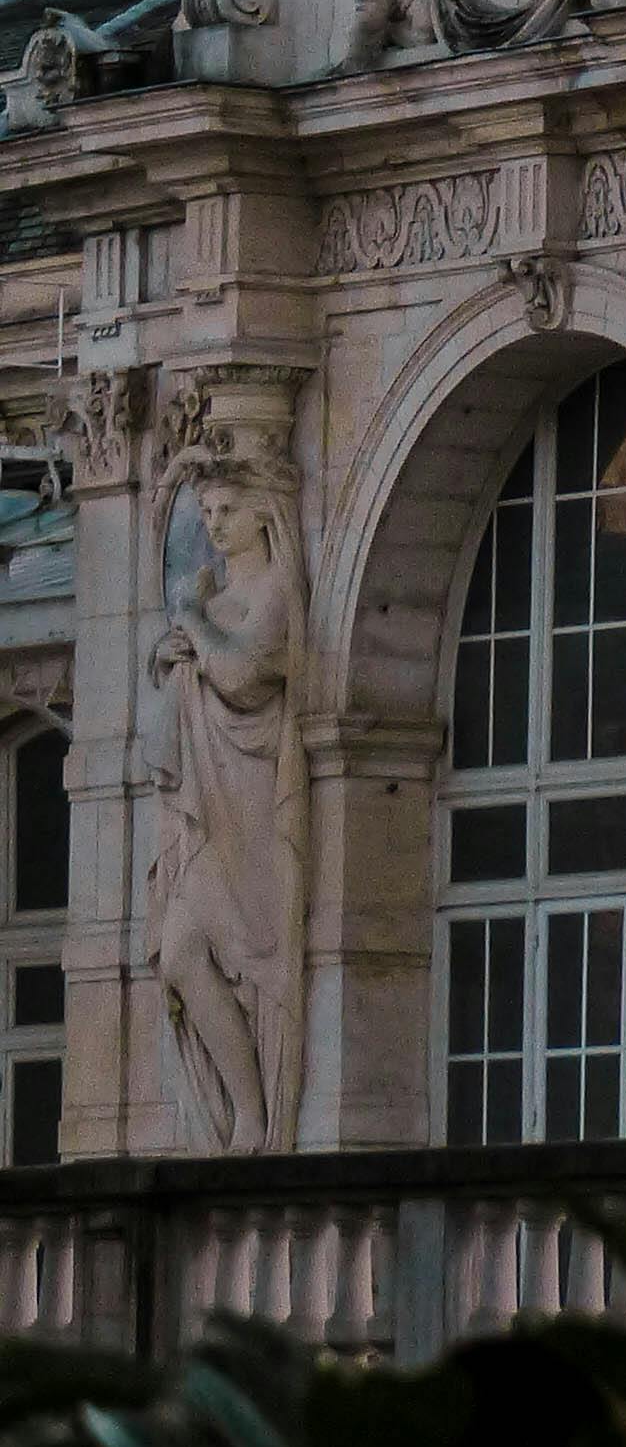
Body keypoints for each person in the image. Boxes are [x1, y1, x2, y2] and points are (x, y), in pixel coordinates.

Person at [148, 464, 307, 1153]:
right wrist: (173, 648)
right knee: (179, 955)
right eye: (207, 510)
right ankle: (244, 1109)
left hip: (248, 803)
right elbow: (173, 670)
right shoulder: (214, 596)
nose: (212, 523)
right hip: (203, 799)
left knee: (217, 953)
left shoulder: (275, 591)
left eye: (226, 510)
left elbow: (242, 674)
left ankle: (256, 1115)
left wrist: (188, 620)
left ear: (262, 515)